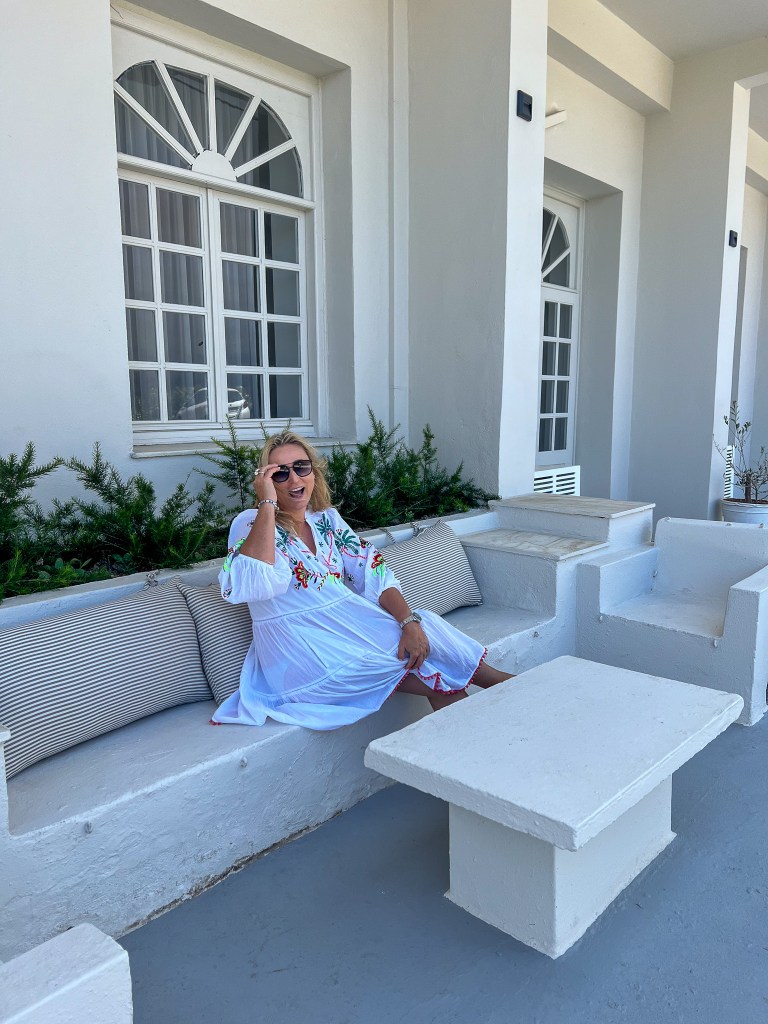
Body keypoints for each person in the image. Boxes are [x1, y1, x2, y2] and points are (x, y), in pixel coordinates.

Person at [211, 430, 512, 729]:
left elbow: (371, 568)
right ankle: (507, 697)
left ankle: (499, 689)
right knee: (441, 681)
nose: (294, 479)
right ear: (265, 480)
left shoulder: (326, 520)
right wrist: (267, 504)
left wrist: (408, 622)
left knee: (425, 627)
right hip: (299, 651)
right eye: (280, 473)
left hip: (344, 628)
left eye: (301, 467)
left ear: (313, 471)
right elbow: (258, 583)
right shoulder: (250, 523)